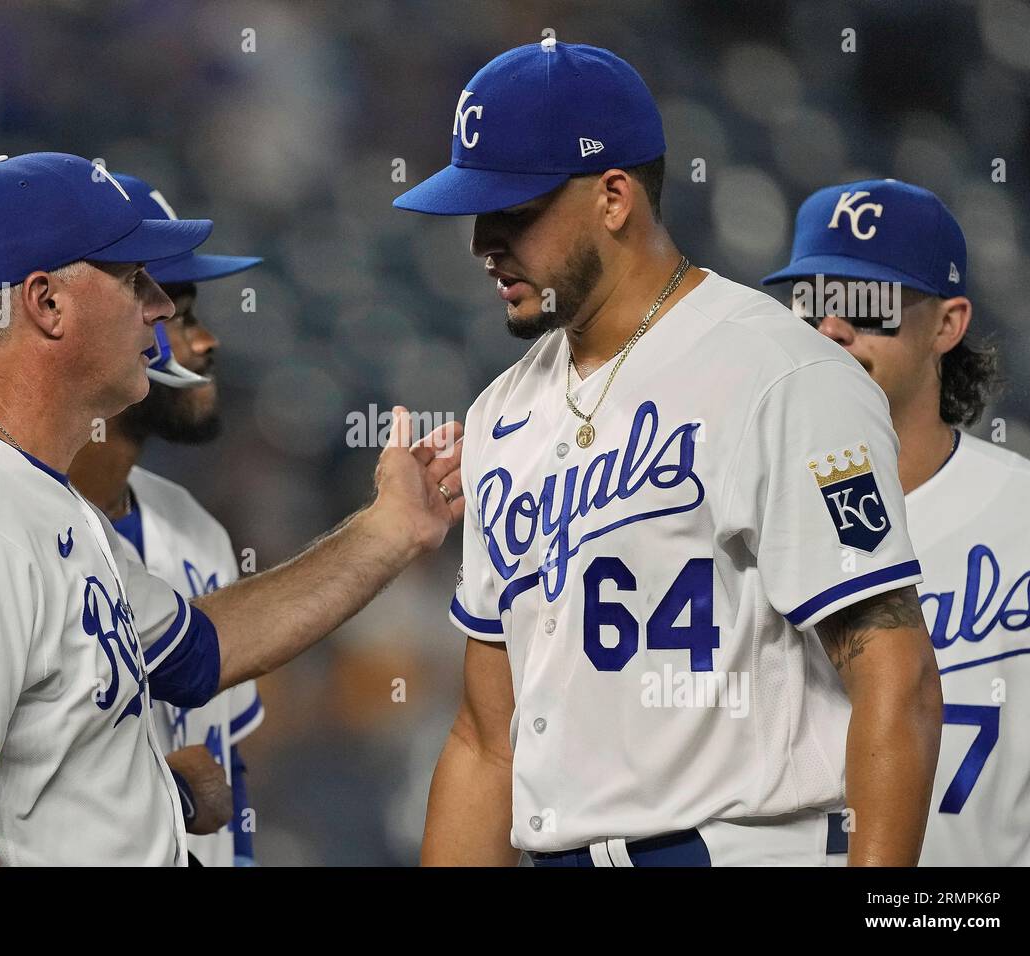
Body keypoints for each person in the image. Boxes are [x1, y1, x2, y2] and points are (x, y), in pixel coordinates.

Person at [394, 41, 941, 866]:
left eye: (515, 209)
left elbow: (894, 674)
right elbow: (484, 740)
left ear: (614, 196)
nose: (484, 241)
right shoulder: (500, 414)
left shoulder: (780, 372)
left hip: (740, 845)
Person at [0, 152, 464, 866]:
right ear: (47, 304)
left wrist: (389, 530)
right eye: (136, 281)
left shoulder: (42, 498)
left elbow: (200, 650)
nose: (161, 308)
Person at [764, 178, 1030, 866]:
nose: (832, 327)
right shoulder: (740, 509)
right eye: (812, 304)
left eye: (867, 304)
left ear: (947, 325)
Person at [69, 172, 265, 865]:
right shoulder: (0, 524)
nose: (206, 341)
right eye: (176, 314)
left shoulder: (195, 529)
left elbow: (226, 763)